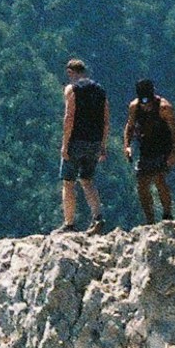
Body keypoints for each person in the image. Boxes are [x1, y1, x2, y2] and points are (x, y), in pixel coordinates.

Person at [58, 59, 111, 232]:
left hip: (76, 141)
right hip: (94, 142)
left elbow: (69, 117)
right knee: (87, 180)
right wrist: (102, 145)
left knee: (68, 182)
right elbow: (105, 120)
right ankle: (98, 217)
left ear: (71, 72)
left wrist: (65, 146)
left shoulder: (72, 89)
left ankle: (69, 224)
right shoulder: (100, 90)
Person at [126, 78, 175, 223]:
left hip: (163, 148)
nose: (146, 106)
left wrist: (173, 152)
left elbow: (174, 130)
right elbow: (129, 126)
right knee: (142, 184)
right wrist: (127, 145)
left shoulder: (164, 108)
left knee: (159, 179)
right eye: (143, 102)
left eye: (148, 102)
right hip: (146, 148)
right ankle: (150, 220)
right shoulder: (134, 107)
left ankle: (167, 214)